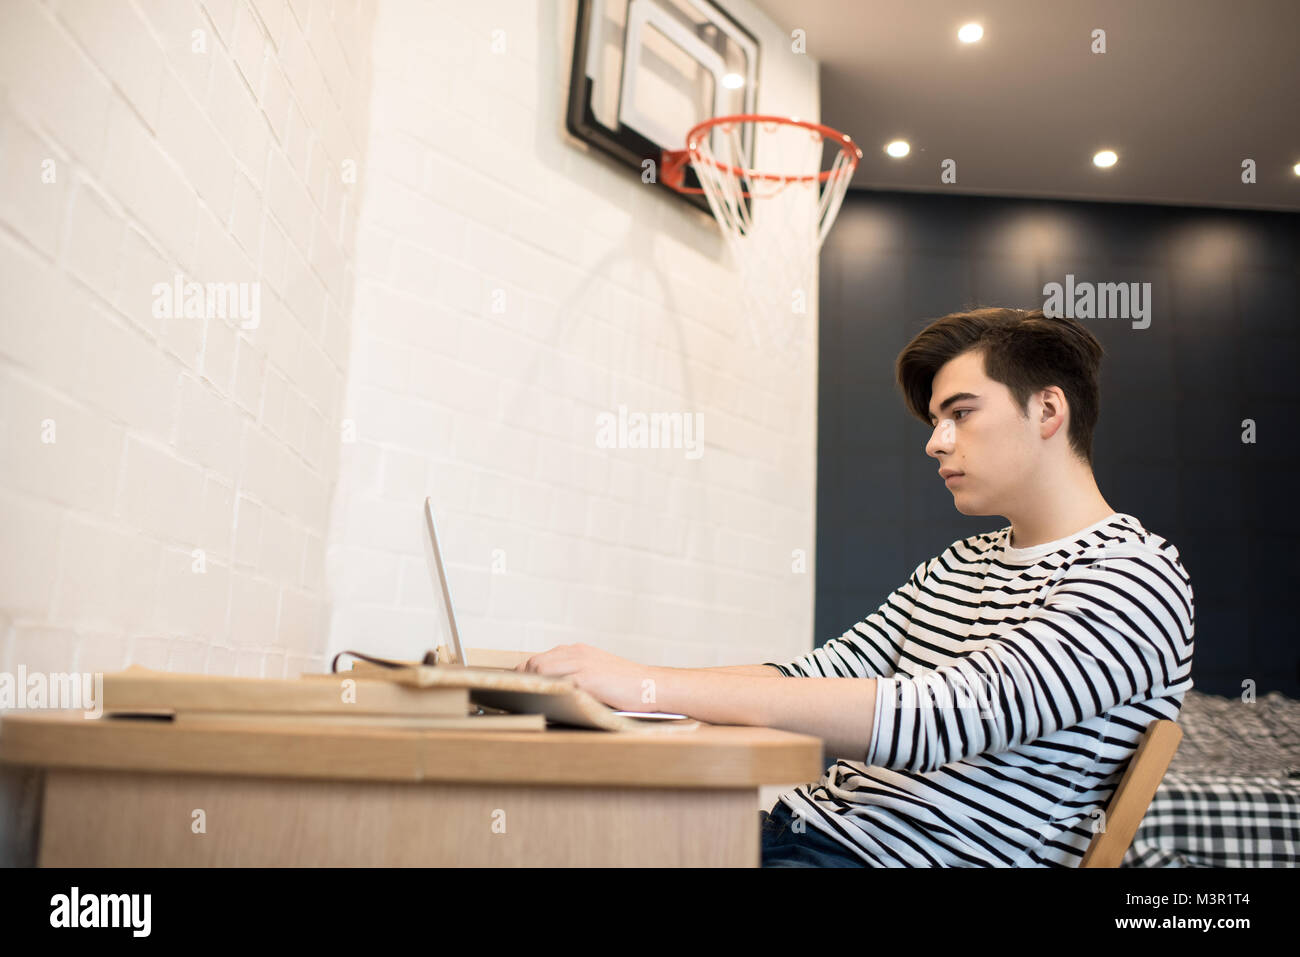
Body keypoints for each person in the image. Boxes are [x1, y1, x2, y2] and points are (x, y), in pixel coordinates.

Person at [517, 306, 1195, 867]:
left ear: (1048, 409)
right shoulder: (959, 563)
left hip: (892, 860)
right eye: (935, 420)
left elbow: (942, 716)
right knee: (550, 838)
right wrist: (623, 687)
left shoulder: (1134, 576)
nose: (936, 442)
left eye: (960, 413)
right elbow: (812, 673)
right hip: (810, 834)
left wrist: (645, 686)